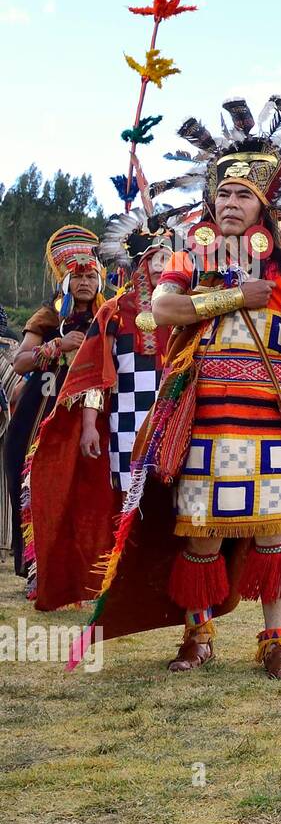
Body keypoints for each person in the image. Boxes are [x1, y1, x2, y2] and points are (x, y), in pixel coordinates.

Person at [67, 95, 281, 679]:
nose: (231, 202)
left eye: (244, 194)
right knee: (201, 531)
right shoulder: (189, 255)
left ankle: (275, 640)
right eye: (223, 192)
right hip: (206, 413)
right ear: (209, 200)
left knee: (273, 529)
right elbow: (161, 309)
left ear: (265, 207)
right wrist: (229, 298)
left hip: (269, 416)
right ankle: (199, 634)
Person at [27, 211, 174, 611]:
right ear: (138, 265)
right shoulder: (114, 312)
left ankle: (164, 579)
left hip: (171, 420)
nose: (160, 268)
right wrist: (90, 425)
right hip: (124, 420)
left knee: (169, 498)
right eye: (153, 260)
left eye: (167, 259)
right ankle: (122, 580)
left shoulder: (183, 310)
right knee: (125, 501)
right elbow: (96, 375)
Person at [5, 225, 105, 579]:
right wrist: (57, 346)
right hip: (40, 409)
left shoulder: (106, 317)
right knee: (33, 484)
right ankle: (33, 564)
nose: (84, 283)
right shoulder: (49, 315)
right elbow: (19, 361)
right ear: (64, 279)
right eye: (76, 276)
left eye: (90, 276)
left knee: (82, 488)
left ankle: (77, 569)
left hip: (89, 412)